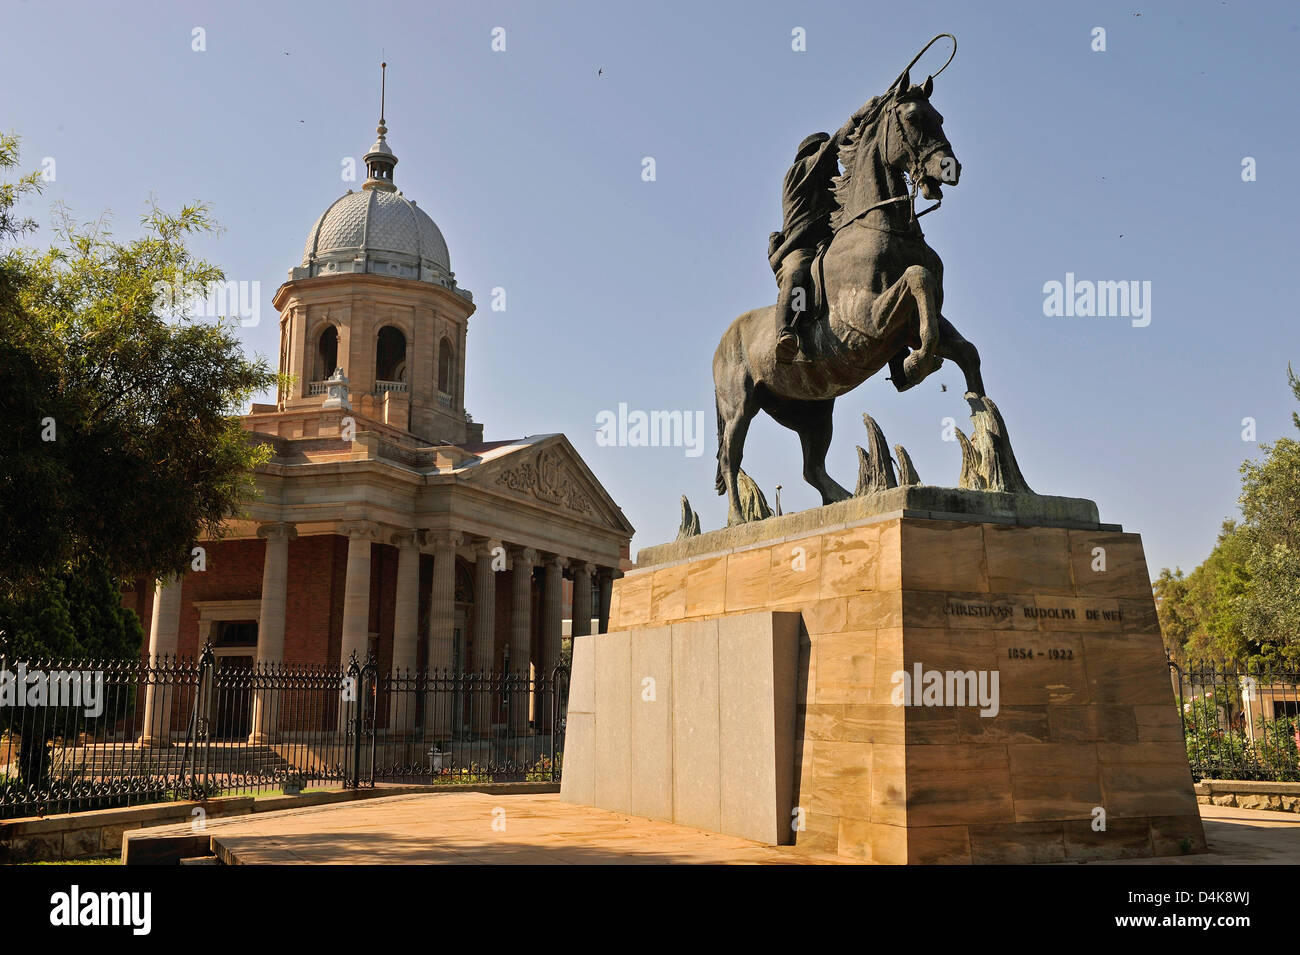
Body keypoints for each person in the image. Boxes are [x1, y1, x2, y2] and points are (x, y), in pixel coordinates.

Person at [769, 100, 876, 362]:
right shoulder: (799, 172)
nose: (835, 166)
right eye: (828, 159)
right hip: (800, 247)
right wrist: (859, 116)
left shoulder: (829, 184)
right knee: (798, 273)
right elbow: (832, 147)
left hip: (827, 245)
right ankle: (787, 330)